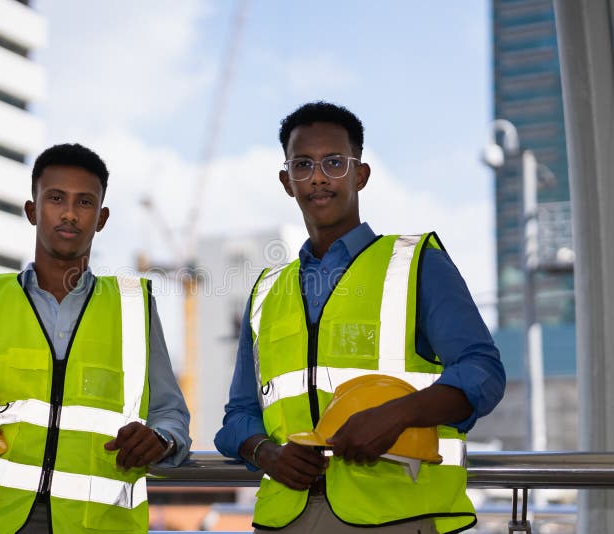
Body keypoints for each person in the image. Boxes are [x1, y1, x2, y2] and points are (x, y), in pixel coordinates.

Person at [214, 102, 505, 533]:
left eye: (334, 162)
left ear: (360, 175)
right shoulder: (266, 291)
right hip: (285, 518)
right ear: (287, 182)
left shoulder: (416, 264)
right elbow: (239, 415)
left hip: (398, 514)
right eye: (302, 164)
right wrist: (266, 453)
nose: (318, 177)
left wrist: (397, 415)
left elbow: (483, 373)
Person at [0, 143, 191, 534]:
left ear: (102, 218)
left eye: (85, 202)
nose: (70, 213)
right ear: (32, 210)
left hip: (94, 526)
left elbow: (171, 414)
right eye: (56, 198)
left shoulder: (135, 307)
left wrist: (162, 438)